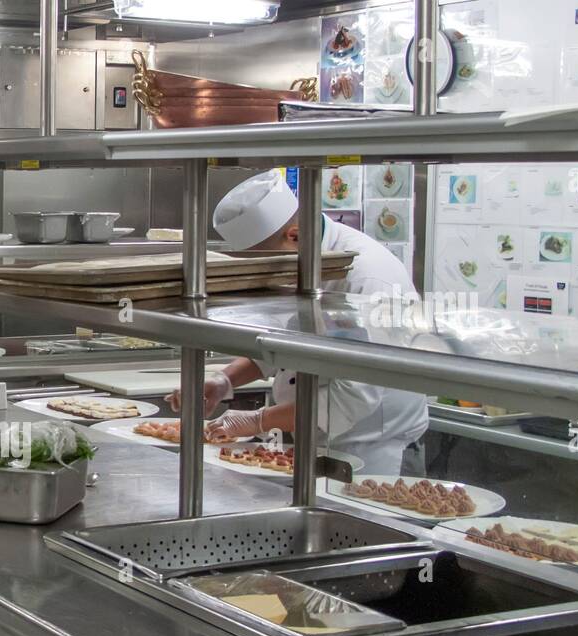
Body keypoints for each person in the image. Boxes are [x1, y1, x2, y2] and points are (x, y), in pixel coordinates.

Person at [170, 171, 429, 476]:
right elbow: (280, 345)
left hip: (375, 448)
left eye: (265, 261)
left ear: (293, 236)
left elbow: (353, 396)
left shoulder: (367, 277)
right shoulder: (301, 262)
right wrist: (224, 380)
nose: (265, 272)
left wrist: (259, 420)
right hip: (313, 436)